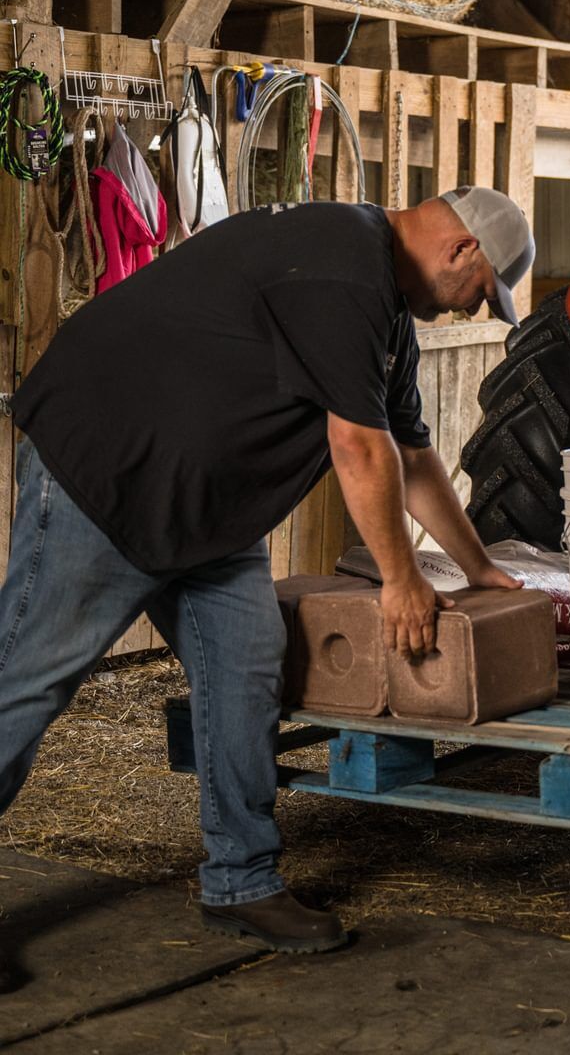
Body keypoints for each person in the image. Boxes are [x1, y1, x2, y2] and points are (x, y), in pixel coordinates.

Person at [0, 185, 535, 955]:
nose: (472, 312)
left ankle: (242, 880)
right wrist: (401, 578)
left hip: (209, 508)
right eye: (481, 295)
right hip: (108, 477)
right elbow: (359, 447)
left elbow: (412, 456)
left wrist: (476, 566)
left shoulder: (383, 313)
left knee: (245, 668)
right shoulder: (344, 268)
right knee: (26, 681)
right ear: (462, 251)